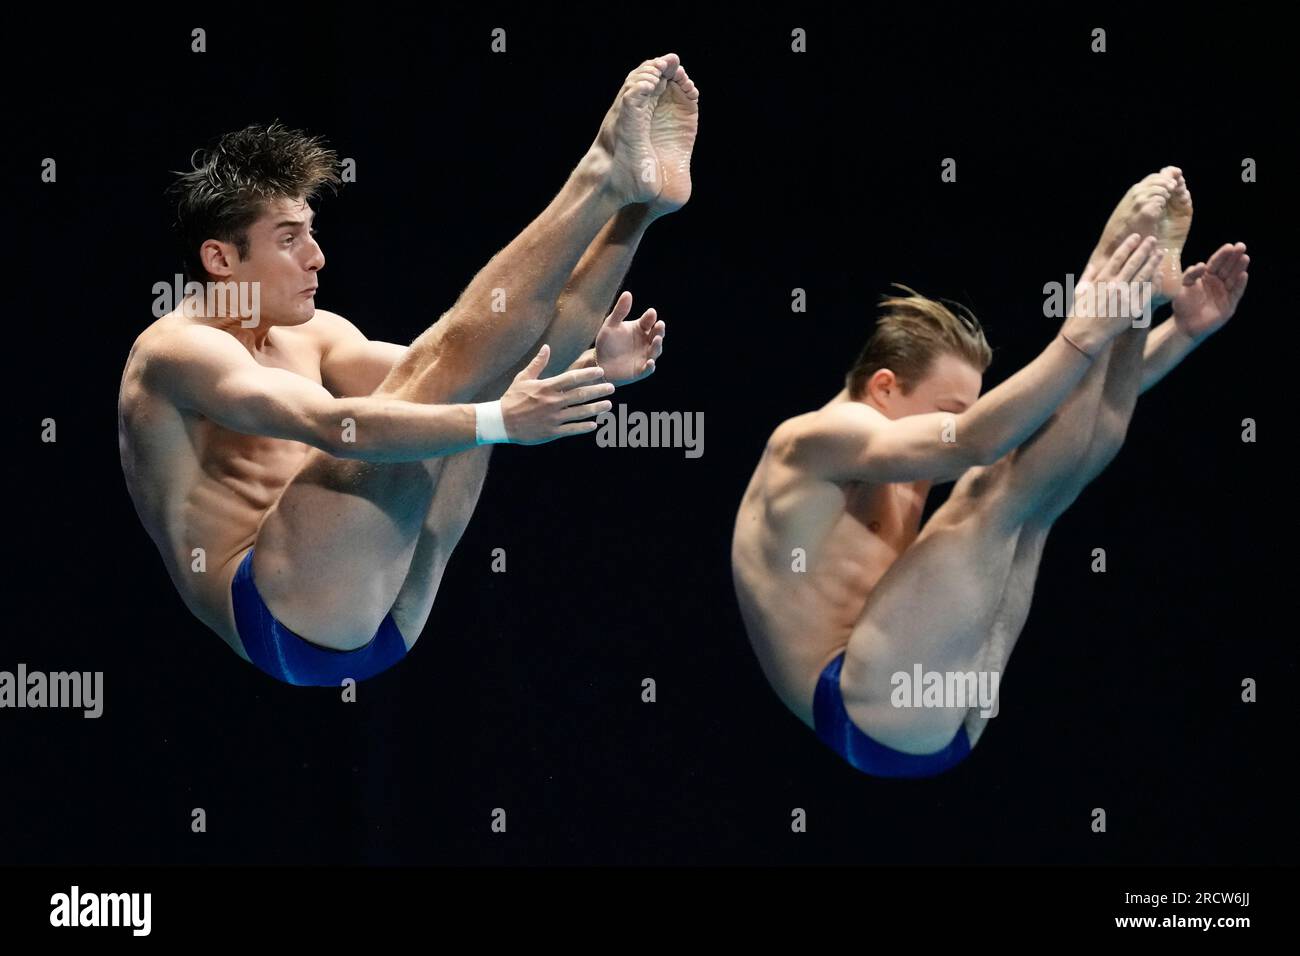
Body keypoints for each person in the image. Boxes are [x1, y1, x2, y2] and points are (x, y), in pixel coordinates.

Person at [118, 54, 699, 686]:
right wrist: (499, 421)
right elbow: (338, 424)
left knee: (473, 376)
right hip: (282, 612)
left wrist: (592, 366)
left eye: (312, 232)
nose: (317, 257)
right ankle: (600, 174)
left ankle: (637, 210)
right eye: (289, 239)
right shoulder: (175, 352)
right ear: (220, 259)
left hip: (389, 609)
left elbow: (491, 375)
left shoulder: (316, 334)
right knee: (446, 371)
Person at [731, 168, 1249, 777]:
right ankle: (1114, 261)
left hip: (938, 706)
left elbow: (1036, 427)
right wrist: (1077, 334)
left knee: (1041, 490)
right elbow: (977, 440)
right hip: (863, 704)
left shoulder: (897, 451)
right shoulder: (813, 441)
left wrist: (1177, 333)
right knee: (989, 480)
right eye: (950, 407)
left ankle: (1134, 295)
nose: (965, 418)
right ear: (884, 385)